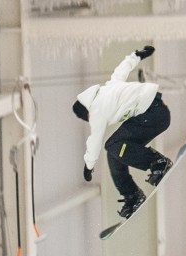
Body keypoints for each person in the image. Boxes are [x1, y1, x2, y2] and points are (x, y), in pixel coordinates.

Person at [73, 45, 172, 220]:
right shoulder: (109, 87)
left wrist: (88, 168)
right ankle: (132, 195)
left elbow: (94, 142)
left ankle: (158, 163)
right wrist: (137, 55)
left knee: (111, 145)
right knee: (114, 152)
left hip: (151, 114)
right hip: (157, 113)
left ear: (87, 112)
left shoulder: (96, 111)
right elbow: (121, 69)